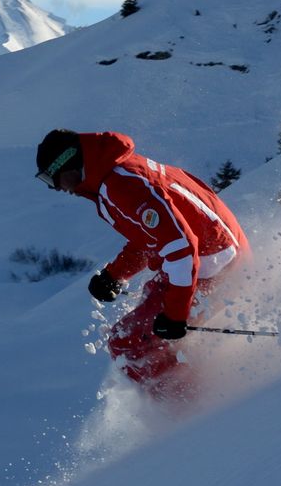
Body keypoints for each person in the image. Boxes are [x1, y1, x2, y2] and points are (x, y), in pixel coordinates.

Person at [35, 129, 249, 400]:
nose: (58, 188)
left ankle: (193, 409)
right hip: (213, 259)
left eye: (53, 178)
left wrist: (176, 314)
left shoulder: (121, 185)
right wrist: (115, 274)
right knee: (141, 324)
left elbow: (181, 247)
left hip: (214, 265)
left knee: (128, 343)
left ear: (69, 163)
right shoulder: (116, 175)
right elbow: (153, 237)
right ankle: (195, 393)